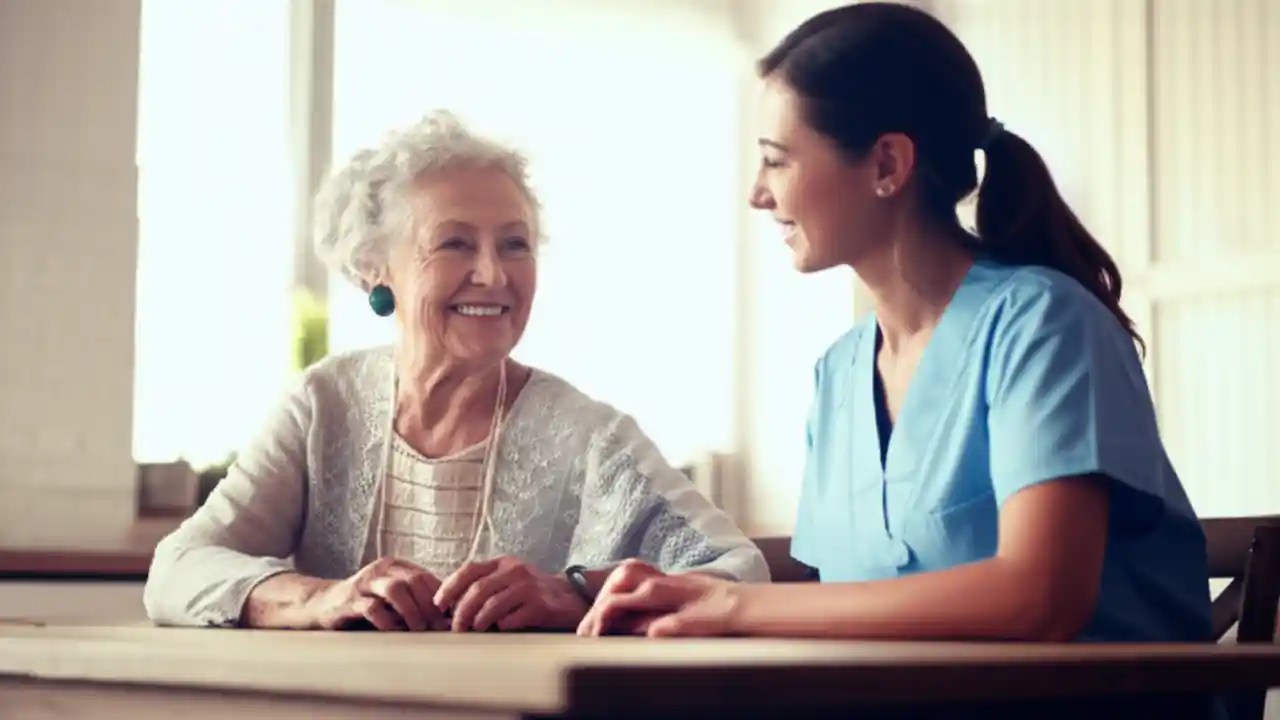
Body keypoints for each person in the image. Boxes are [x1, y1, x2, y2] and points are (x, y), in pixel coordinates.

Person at [578, 2, 1212, 645]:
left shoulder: (1044, 324)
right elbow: (842, 591)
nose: (757, 193)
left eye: (777, 160)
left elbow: (1039, 599)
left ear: (887, 166)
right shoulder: (840, 370)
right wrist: (597, 592)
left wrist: (735, 607)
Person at [143, 111, 768, 633]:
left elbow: (738, 570)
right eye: (456, 243)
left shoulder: (590, 436)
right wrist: (316, 598)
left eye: (515, 244)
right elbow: (178, 568)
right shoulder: (323, 406)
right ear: (373, 267)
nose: (494, 275)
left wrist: (576, 591)